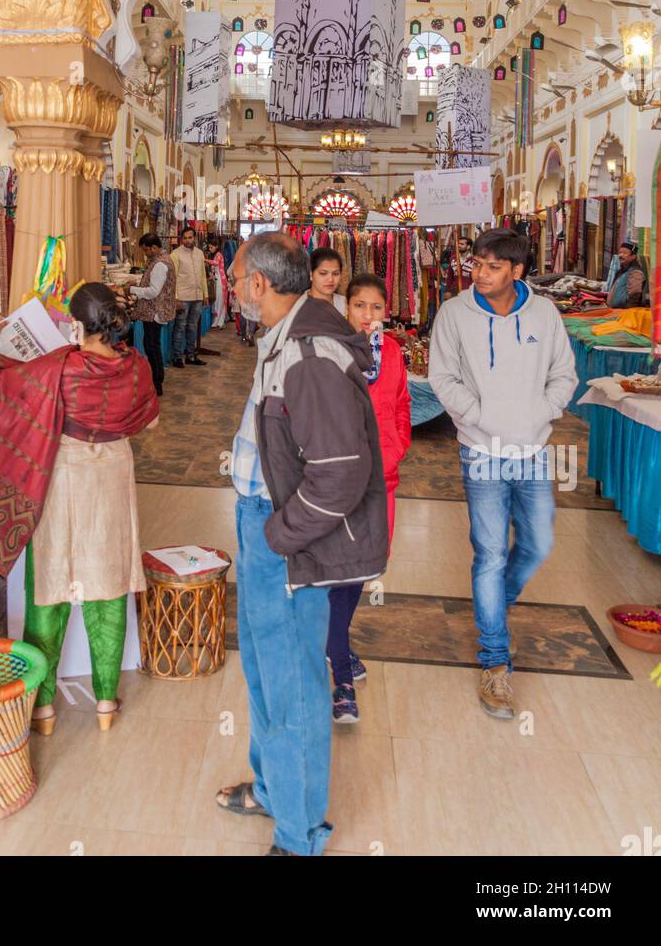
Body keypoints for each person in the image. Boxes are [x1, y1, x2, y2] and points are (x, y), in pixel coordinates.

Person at [215, 232, 387, 856]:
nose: (233, 289)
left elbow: (342, 471)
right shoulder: (285, 336)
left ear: (260, 283)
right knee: (265, 670)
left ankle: (300, 834)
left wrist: (277, 534)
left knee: (292, 684)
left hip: (287, 535)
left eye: (237, 280)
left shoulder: (309, 352)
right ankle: (274, 789)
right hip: (266, 522)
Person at [0, 284, 158, 736]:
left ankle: (42, 707)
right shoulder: (137, 365)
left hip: (62, 473)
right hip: (112, 474)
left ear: (77, 325)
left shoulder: (57, 368)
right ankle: (105, 701)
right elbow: (151, 419)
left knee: (49, 585)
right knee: (109, 583)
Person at [428, 228, 578, 720]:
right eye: (477, 263)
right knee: (490, 554)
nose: (481, 272)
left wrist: (543, 412)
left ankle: (493, 603)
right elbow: (442, 377)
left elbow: (564, 374)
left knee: (537, 544)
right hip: (481, 452)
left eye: (493, 266)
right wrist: (479, 416)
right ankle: (495, 661)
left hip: (533, 449)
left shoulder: (544, 312)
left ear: (517, 271)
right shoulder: (454, 313)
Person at [327, 274, 412, 723]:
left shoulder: (393, 352)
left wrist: (396, 446)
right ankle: (340, 672)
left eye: (375, 307)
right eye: (359, 306)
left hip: (384, 475)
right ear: (347, 308)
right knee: (342, 566)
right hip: (342, 475)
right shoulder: (333, 350)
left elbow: (400, 403)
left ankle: (333, 641)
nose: (367, 315)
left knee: (366, 564)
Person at [126, 233, 176, 396]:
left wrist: (132, 289)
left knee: (152, 346)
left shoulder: (160, 264)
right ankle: (156, 380)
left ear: (154, 248)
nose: (145, 253)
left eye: (146, 250)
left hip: (156, 311)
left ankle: (156, 383)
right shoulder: (160, 260)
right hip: (156, 311)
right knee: (152, 345)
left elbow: (154, 291)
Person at [170, 226, 209, 367]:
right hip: (182, 297)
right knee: (180, 327)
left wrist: (205, 294)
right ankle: (177, 357)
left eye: (190, 237)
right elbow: (172, 278)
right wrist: (175, 297)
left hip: (197, 297)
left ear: (194, 238)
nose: (188, 240)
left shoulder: (199, 254)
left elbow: (203, 275)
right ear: (182, 239)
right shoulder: (175, 254)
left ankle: (191, 356)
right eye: (185, 238)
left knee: (192, 327)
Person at [606, 240, 648, 308]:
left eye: (625, 253)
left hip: (626, 313)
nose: (620, 255)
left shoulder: (636, 272)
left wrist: (627, 313)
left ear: (633, 256)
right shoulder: (620, 272)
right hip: (615, 311)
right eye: (620, 252)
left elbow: (634, 298)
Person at [308, 246, 347, 316]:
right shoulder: (298, 305)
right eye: (323, 273)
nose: (330, 279)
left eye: (335, 274)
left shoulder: (346, 305)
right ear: (311, 275)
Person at [205, 236, 230, 329]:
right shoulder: (216, 254)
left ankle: (219, 322)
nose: (210, 249)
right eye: (209, 247)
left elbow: (215, 263)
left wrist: (205, 260)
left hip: (221, 280)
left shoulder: (218, 254)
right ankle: (218, 321)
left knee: (220, 301)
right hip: (218, 279)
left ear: (216, 246)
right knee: (218, 301)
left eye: (211, 247)